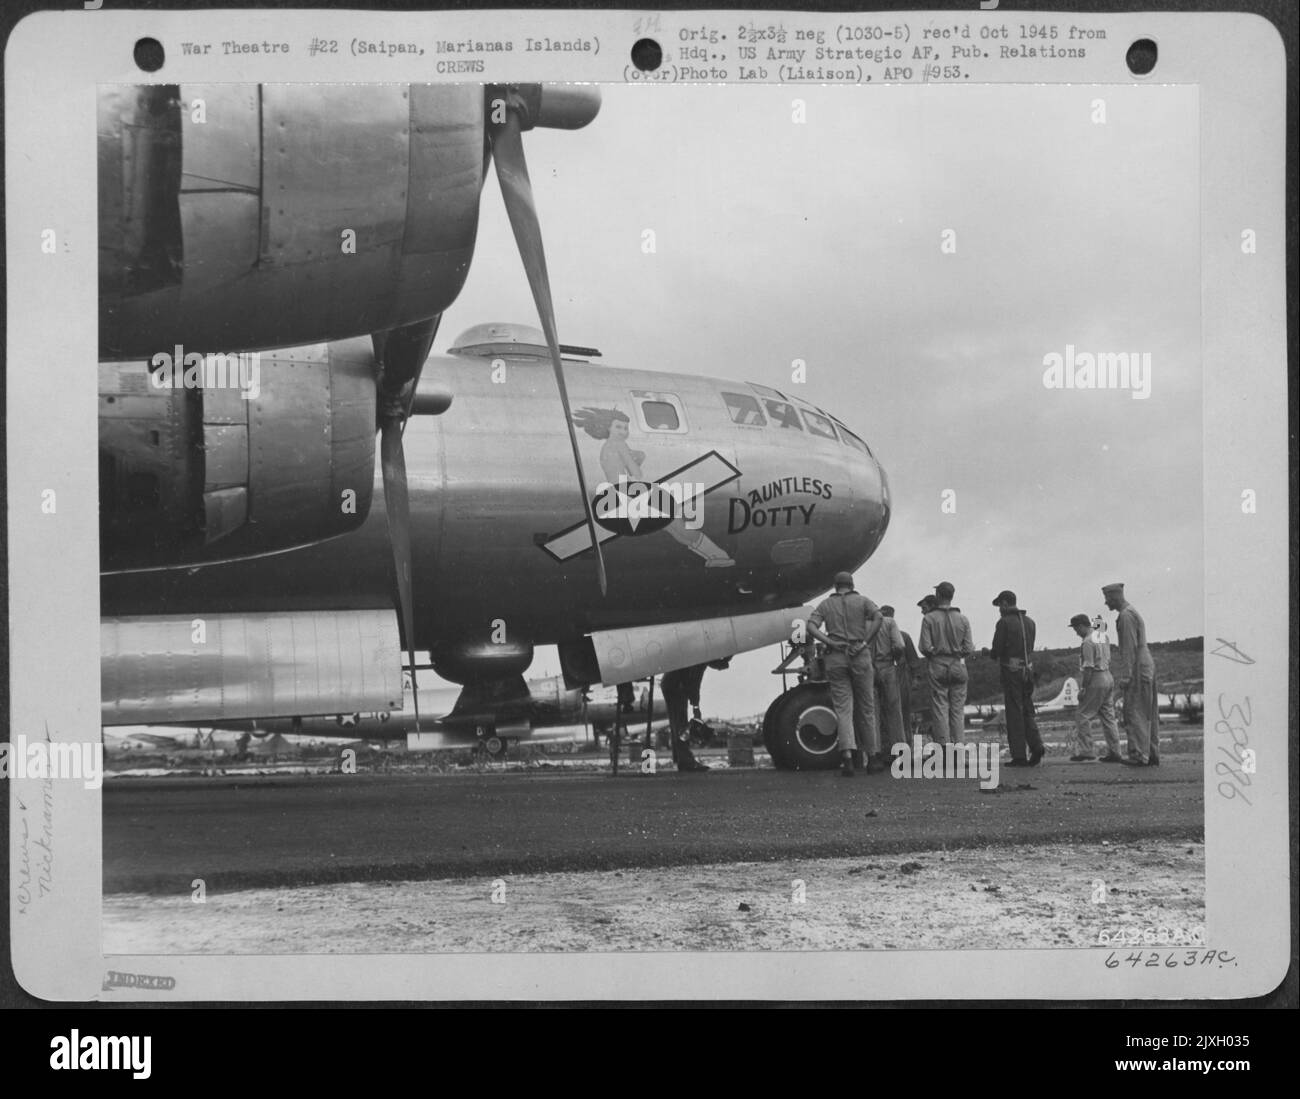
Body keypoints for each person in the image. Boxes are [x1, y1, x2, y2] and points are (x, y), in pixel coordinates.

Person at [582, 408, 734, 568]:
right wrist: (639, 457)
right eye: (618, 427)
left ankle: (716, 557)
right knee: (678, 526)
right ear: (608, 428)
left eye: (625, 428)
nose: (623, 432)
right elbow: (636, 472)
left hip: (620, 496)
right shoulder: (619, 444)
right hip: (633, 494)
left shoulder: (606, 447)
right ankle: (718, 555)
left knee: (674, 529)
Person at [805, 571, 883, 776]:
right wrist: (865, 641)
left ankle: (848, 759)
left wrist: (829, 641)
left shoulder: (825, 605)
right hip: (860, 653)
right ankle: (872, 759)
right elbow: (879, 616)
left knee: (843, 709)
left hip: (836, 656)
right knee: (867, 707)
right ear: (852, 584)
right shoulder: (863, 601)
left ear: (835, 586)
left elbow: (811, 625)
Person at [1103, 583, 1159, 766]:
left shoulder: (1125, 616)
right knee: (1148, 711)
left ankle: (1138, 755)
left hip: (1137, 667)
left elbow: (1128, 648)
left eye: (1107, 598)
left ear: (1115, 597)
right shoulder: (1132, 612)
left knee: (1135, 711)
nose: (1106, 603)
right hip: (1146, 663)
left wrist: (1126, 675)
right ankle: (1151, 753)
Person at [989, 590, 1045, 767]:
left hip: (1011, 672)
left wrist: (988, 653)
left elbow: (997, 651)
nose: (999, 609)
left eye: (1000, 605)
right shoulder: (1030, 622)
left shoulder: (1003, 623)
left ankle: (1019, 755)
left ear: (1005, 603)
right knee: (1027, 710)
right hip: (1027, 671)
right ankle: (1036, 745)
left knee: (1014, 712)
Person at [919, 582, 973, 746]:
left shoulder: (929, 618)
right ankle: (959, 750)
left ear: (938, 596)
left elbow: (924, 647)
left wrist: (936, 652)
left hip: (938, 665)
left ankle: (944, 750)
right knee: (957, 711)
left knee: (940, 709)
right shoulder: (963, 619)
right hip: (957, 664)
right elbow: (968, 647)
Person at [1067, 613, 1123, 762]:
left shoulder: (1087, 642)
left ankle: (1087, 751)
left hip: (1096, 679)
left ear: (1081, 626)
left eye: (1076, 629)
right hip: (1108, 676)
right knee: (1108, 716)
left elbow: (1088, 668)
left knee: (1082, 715)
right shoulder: (1102, 636)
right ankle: (1115, 751)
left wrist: (1083, 689)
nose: (1076, 632)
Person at [660, 661, 728, 772]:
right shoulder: (700, 660)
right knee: (680, 726)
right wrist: (695, 706)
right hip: (677, 685)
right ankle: (686, 762)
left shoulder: (699, 657)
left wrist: (695, 705)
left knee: (676, 724)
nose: (721, 668)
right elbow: (695, 683)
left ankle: (680, 760)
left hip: (672, 684)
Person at [872, 606, 908, 755]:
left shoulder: (863, 624)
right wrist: (896, 657)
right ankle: (900, 751)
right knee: (894, 711)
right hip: (888, 666)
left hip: (871, 668)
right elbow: (899, 645)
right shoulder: (889, 622)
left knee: (872, 712)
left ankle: (876, 752)